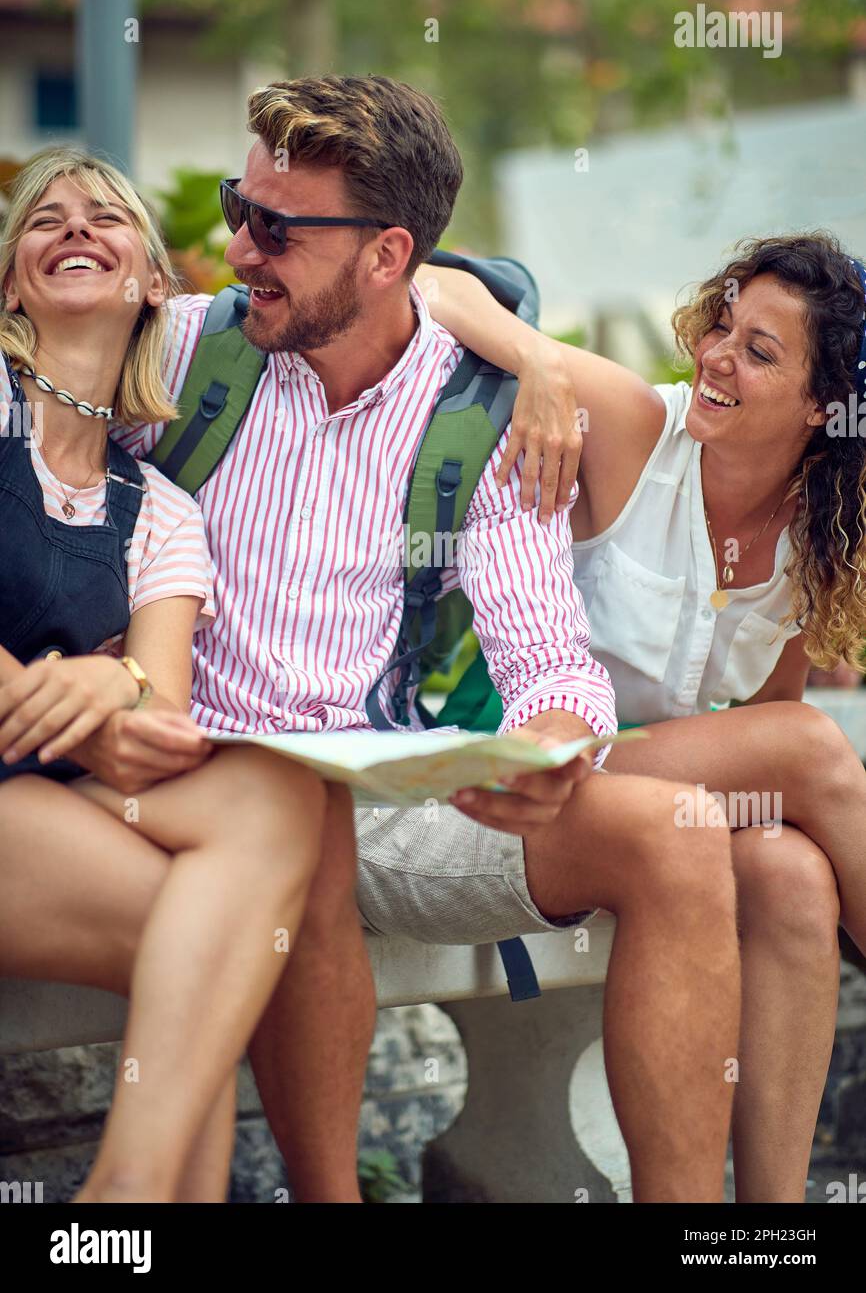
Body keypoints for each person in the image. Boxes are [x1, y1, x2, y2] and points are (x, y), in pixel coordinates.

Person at [3, 78, 741, 1204]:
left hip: (391, 780)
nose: (240, 249)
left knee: (677, 836)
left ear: (388, 254)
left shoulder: (482, 415)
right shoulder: (184, 354)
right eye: (235, 207)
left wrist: (548, 745)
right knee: (302, 813)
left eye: (276, 228)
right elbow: (58, 407)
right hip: (195, 776)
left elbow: (544, 652)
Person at [425, 232, 866, 1200]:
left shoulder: (822, 530)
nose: (715, 354)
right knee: (807, 743)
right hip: (508, 766)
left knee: (792, 874)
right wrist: (538, 358)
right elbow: (433, 280)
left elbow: (765, 763)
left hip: (639, 805)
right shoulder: (632, 423)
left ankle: (766, 1221)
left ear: (819, 405)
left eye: (759, 351)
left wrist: (736, 825)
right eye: (723, 323)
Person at [0, 148, 336, 1203]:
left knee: (276, 793)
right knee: (220, 954)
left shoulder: (158, 510)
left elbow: (158, 722)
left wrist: (112, 691)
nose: (73, 229)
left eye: (104, 217)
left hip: (39, 805)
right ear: (13, 280)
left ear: (152, 278)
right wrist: (77, 687)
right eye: (43, 221)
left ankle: (124, 1205)